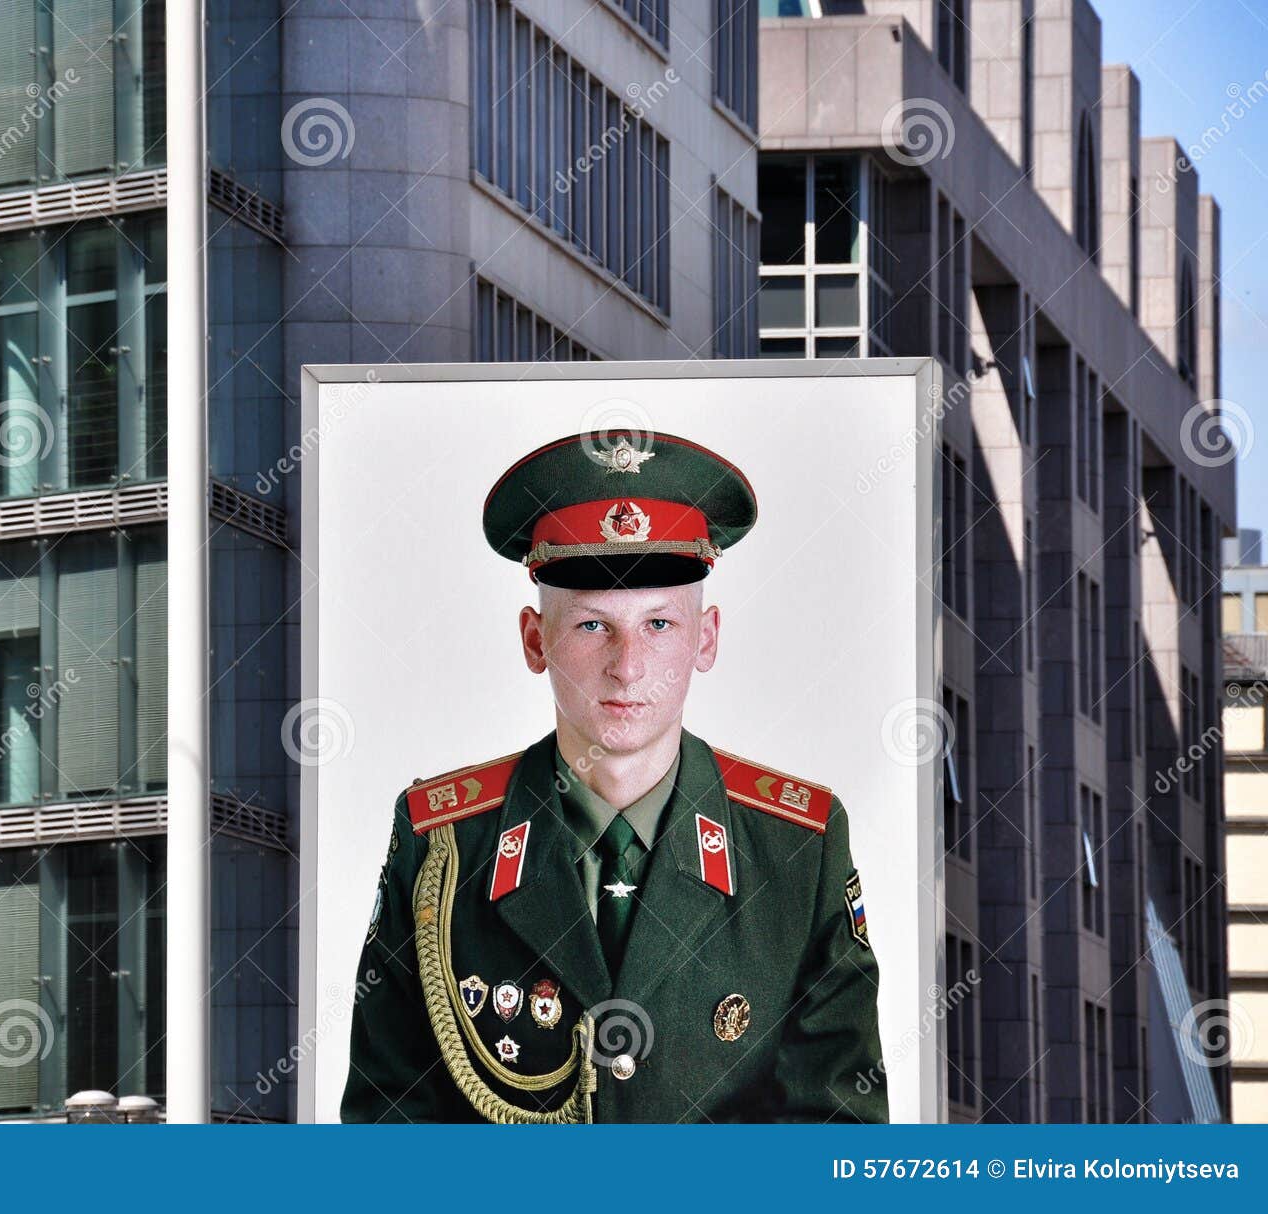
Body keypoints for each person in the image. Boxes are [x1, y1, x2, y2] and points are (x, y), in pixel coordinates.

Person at [340, 429, 886, 1123]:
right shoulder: (444, 843)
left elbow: (836, 1144)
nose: (627, 667)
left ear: (706, 638)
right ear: (536, 642)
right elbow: (387, 1135)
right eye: (593, 627)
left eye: (659, 624)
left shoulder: (795, 848)